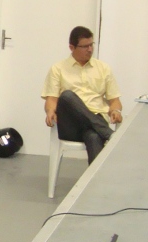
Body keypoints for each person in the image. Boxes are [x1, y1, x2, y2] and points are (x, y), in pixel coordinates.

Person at [42, 26, 122, 164]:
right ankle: (108, 133)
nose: (90, 49)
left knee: (93, 137)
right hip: (71, 125)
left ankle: (95, 184)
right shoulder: (58, 69)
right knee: (67, 96)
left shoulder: (103, 68)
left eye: (91, 45)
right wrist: (50, 111)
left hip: (96, 122)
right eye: (85, 46)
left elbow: (115, 100)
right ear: (71, 47)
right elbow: (51, 99)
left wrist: (115, 110)